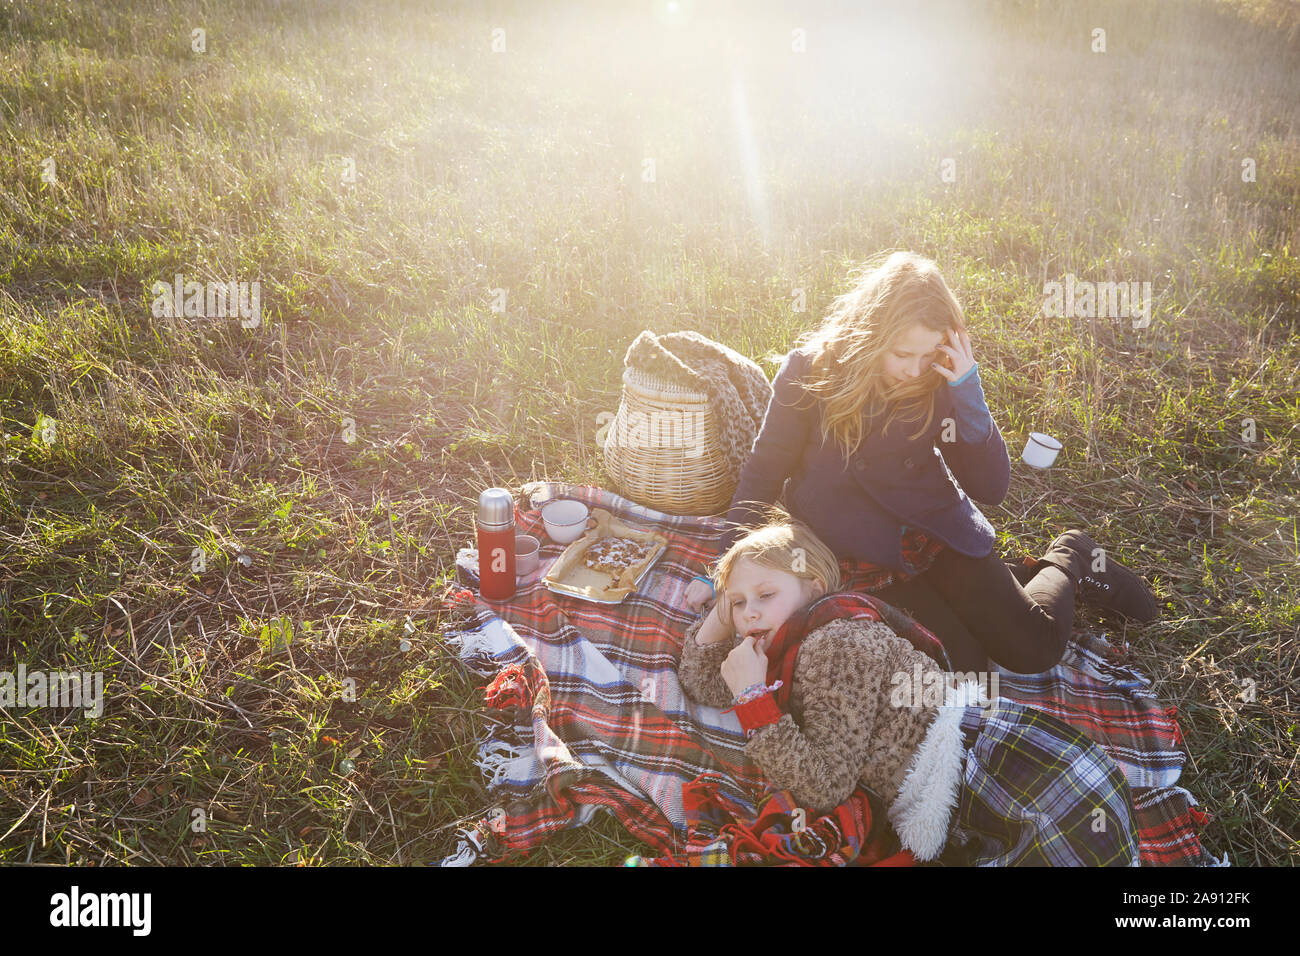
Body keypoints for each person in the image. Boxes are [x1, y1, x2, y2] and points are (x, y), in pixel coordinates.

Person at [683, 251, 1158, 674]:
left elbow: (991, 488)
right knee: (965, 670)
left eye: (928, 353)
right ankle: (1018, 576)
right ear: (870, 334)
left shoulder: (939, 378)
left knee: (1033, 650)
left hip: (937, 535)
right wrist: (724, 568)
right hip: (859, 554)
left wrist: (968, 394)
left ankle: (1070, 556)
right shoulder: (811, 372)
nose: (914, 369)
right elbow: (764, 470)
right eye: (901, 353)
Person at [677, 508, 1138, 865]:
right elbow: (701, 680)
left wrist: (753, 702)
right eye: (740, 604)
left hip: (1004, 778)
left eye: (766, 595)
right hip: (975, 779)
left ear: (815, 589)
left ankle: (1070, 558)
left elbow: (823, 788)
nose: (751, 612)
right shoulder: (785, 647)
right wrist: (725, 606)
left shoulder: (837, 645)